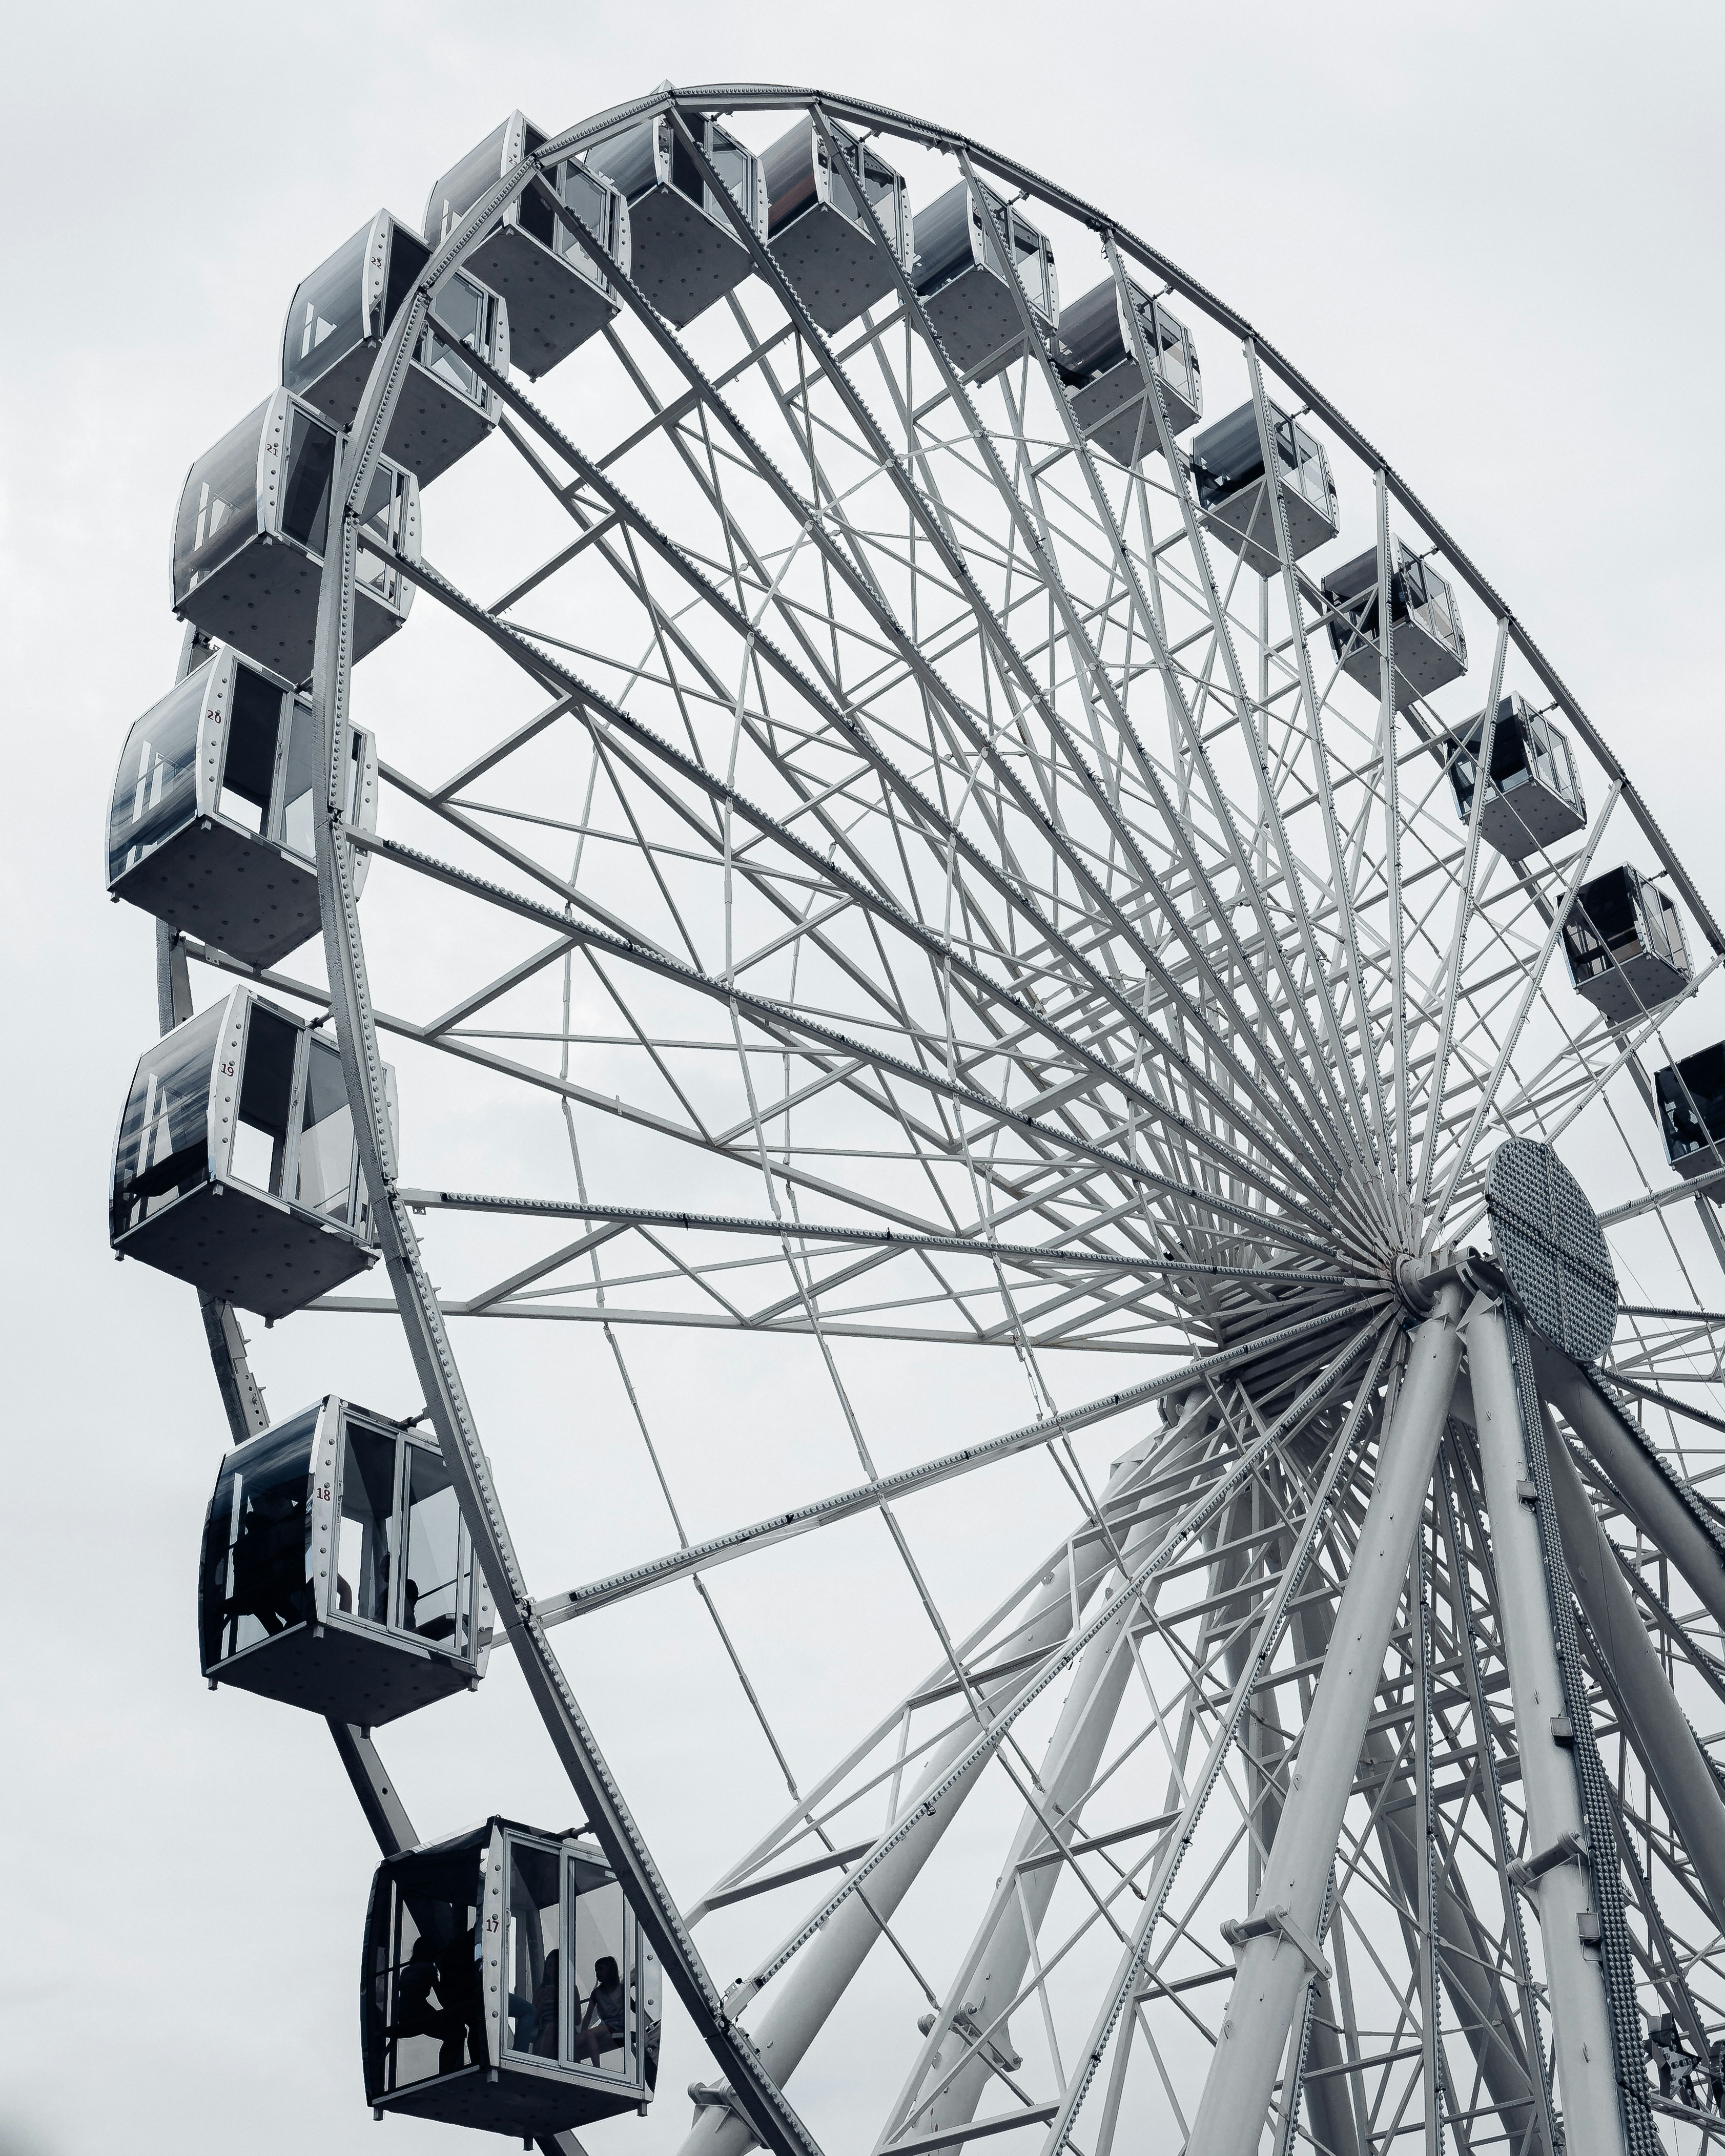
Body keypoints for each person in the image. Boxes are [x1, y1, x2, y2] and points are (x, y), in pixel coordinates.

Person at [577, 1956, 626, 2067]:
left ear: (610, 1970)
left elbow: (633, 2007)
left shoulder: (621, 1989)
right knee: (574, 2043)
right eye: (596, 1970)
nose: (598, 1973)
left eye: (601, 1969)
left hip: (619, 2028)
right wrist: (582, 2034)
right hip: (605, 2027)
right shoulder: (596, 1993)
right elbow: (588, 2016)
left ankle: (597, 2069)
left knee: (590, 2035)